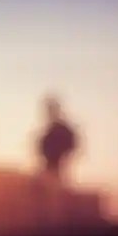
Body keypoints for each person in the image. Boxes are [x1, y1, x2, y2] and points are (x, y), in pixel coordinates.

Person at [35, 96, 79, 227]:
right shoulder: (51, 128)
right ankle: (50, 219)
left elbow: (71, 143)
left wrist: (63, 155)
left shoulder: (60, 128)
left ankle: (64, 219)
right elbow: (42, 146)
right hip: (49, 165)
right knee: (46, 192)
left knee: (60, 190)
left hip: (58, 164)